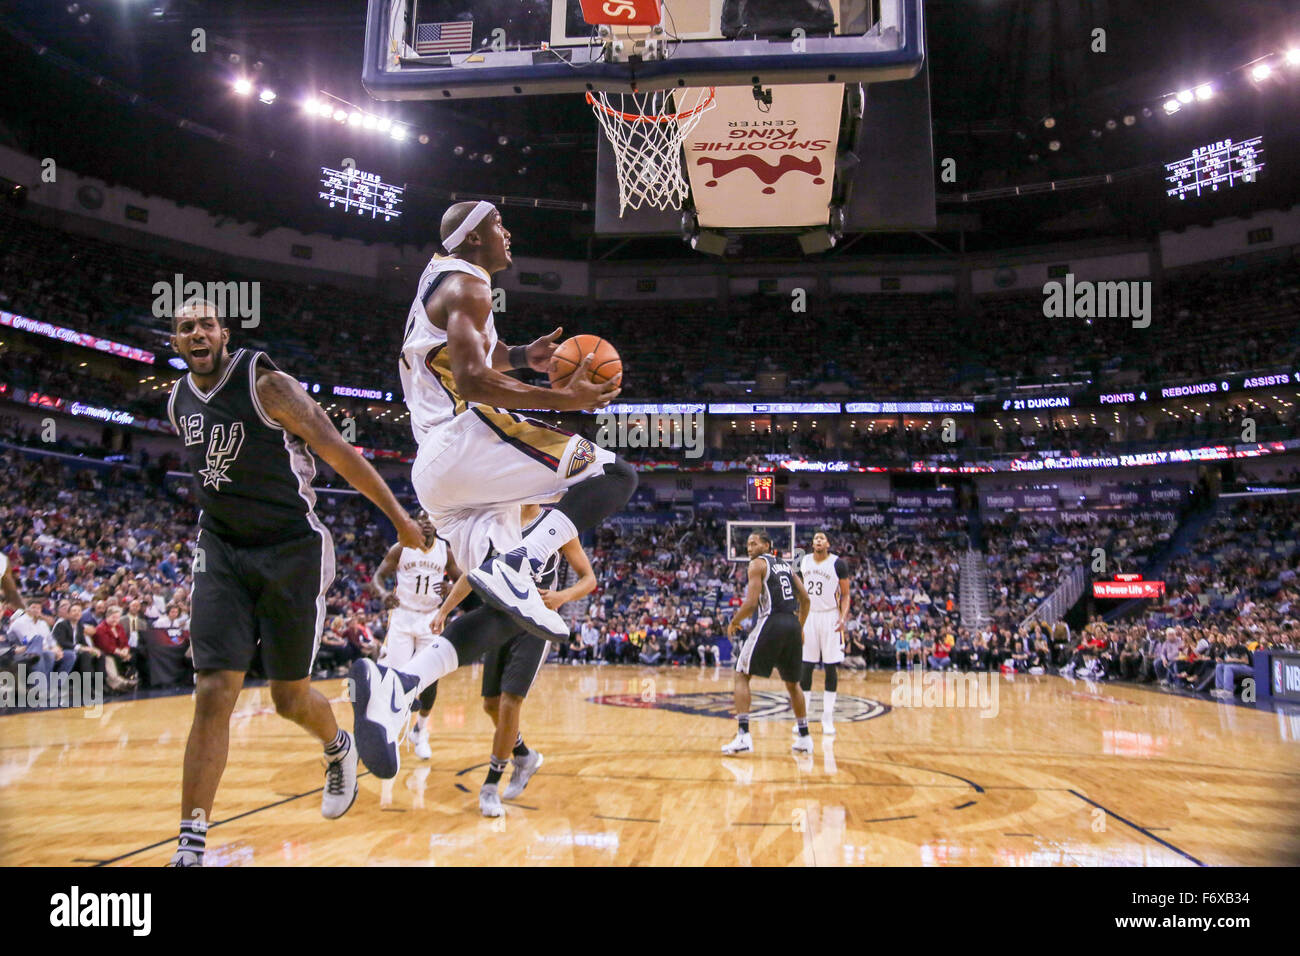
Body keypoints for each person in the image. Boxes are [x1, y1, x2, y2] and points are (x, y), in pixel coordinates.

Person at [350, 201, 637, 779]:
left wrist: (525, 357)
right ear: (476, 237)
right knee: (614, 474)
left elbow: (475, 360)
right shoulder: (467, 285)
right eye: (500, 225)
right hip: (463, 440)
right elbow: (476, 383)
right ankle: (522, 558)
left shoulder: (449, 284)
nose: (509, 233)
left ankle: (394, 687)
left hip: (445, 477)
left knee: (513, 610)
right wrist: (568, 401)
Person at [165, 299, 425, 867]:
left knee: (287, 697)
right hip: (222, 550)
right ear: (177, 342)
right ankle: (190, 845)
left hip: (291, 550)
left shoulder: (267, 384)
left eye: (206, 323)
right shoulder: (176, 399)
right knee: (213, 692)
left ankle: (338, 747)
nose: (196, 332)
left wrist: (400, 521)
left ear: (224, 334)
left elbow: (337, 451)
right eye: (185, 327)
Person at [432, 500, 596, 817]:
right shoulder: (497, 522)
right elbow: (471, 573)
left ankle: (491, 786)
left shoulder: (557, 523)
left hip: (534, 623)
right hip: (498, 616)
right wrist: (444, 610)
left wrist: (562, 597)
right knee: (490, 704)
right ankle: (523, 754)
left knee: (510, 701)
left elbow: (588, 578)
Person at [368, 512, 459, 761]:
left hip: (431, 617)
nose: (426, 522)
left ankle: (421, 731)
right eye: (421, 519)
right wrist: (382, 594)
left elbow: (461, 579)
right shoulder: (401, 548)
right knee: (396, 678)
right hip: (403, 616)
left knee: (430, 677)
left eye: (430, 519)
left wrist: (451, 588)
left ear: (436, 524)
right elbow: (377, 577)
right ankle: (390, 731)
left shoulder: (445, 551)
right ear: (415, 523)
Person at [722, 532, 813, 755]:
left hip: (772, 620)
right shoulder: (785, 566)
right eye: (747, 543)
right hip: (792, 623)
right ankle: (805, 737)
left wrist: (734, 621)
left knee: (741, 674)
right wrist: (800, 626)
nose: (749, 547)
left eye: (754, 543)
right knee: (793, 684)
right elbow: (806, 598)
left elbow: (751, 604)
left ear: (767, 545)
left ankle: (743, 736)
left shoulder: (756, 565)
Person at [796, 532, 851, 735]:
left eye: (822, 538)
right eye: (816, 538)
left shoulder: (838, 564)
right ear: (812, 543)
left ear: (828, 543)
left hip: (830, 617)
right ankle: (802, 719)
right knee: (806, 667)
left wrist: (843, 618)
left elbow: (845, 595)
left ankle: (827, 718)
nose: (819, 540)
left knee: (830, 668)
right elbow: (798, 592)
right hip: (809, 616)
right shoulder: (802, 561)